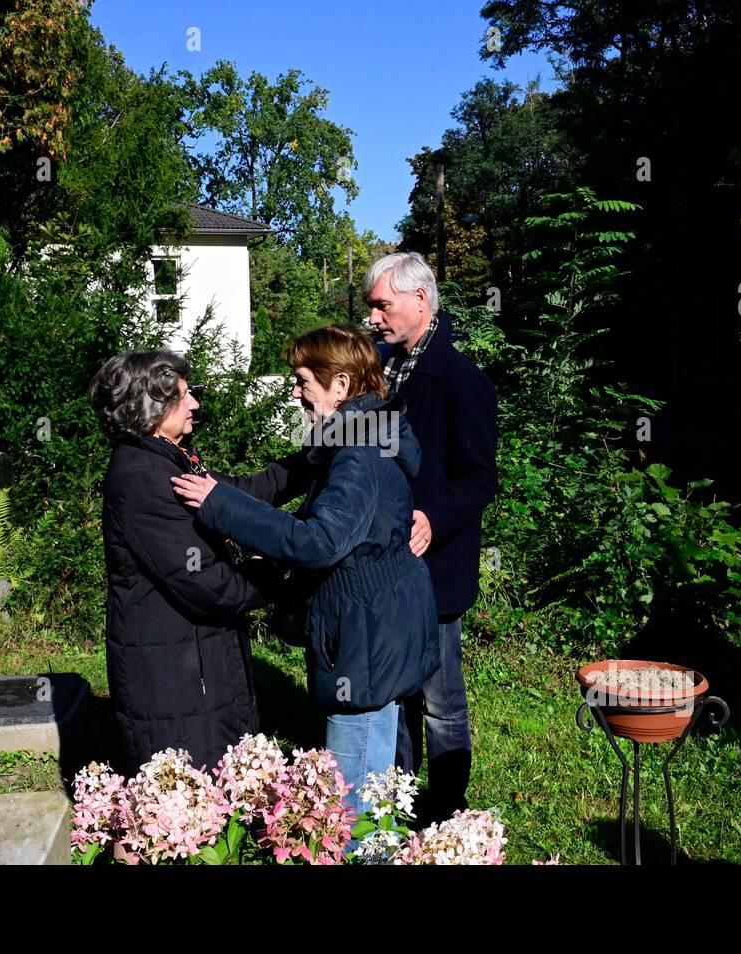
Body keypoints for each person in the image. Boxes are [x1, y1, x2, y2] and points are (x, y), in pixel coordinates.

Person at [172, 325, 439, 820]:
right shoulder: (365, 434)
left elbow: (320, 542)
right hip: (385, 620)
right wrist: (224, 491)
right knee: (379, 756)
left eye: (302, 381)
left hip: (364, 630)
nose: (294, 393)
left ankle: (355, 849)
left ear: (340, 385)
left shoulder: (357, 452)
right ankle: (380, 847)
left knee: (350, 788)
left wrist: (219, 505)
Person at [90, 351, 310, 775]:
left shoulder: (163, 458)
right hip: (176, 672)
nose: (194, 405)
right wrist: (275, 571)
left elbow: (240, 494)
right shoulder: (145, 479)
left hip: (189, 655)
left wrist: (311, 462)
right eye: (184, 396)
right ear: (150, 408)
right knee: (184, 797)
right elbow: (207, 585)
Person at [364, 251, 498, 824]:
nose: (372, 318)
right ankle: (397, 803)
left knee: (440, 700)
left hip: (436, 565)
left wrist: (433, 519)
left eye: (381, 304)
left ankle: (445, 813)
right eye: (371, 306)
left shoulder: (463, 380)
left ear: (420, 301)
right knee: (395, 693)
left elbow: (478, 480)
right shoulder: (381, 366)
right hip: (386, 563)